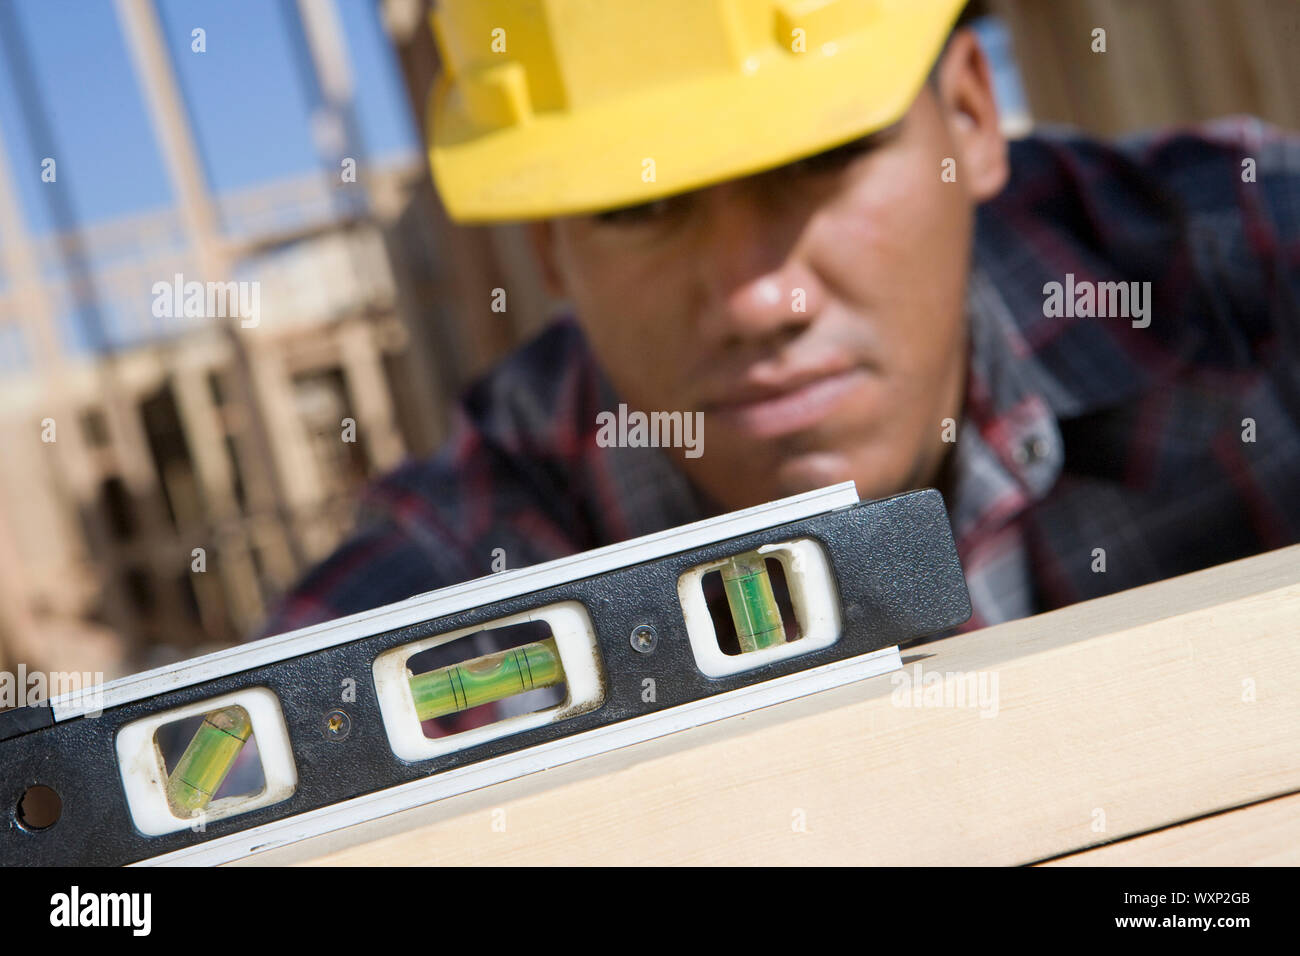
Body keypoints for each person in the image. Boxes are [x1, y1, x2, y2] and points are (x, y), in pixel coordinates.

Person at [261, 0, 1299, 683]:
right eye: (640, 206)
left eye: (822, 156)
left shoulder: (1241, 272)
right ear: (548, 247)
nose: (758, 297)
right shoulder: (478, 574)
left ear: (974, 121)